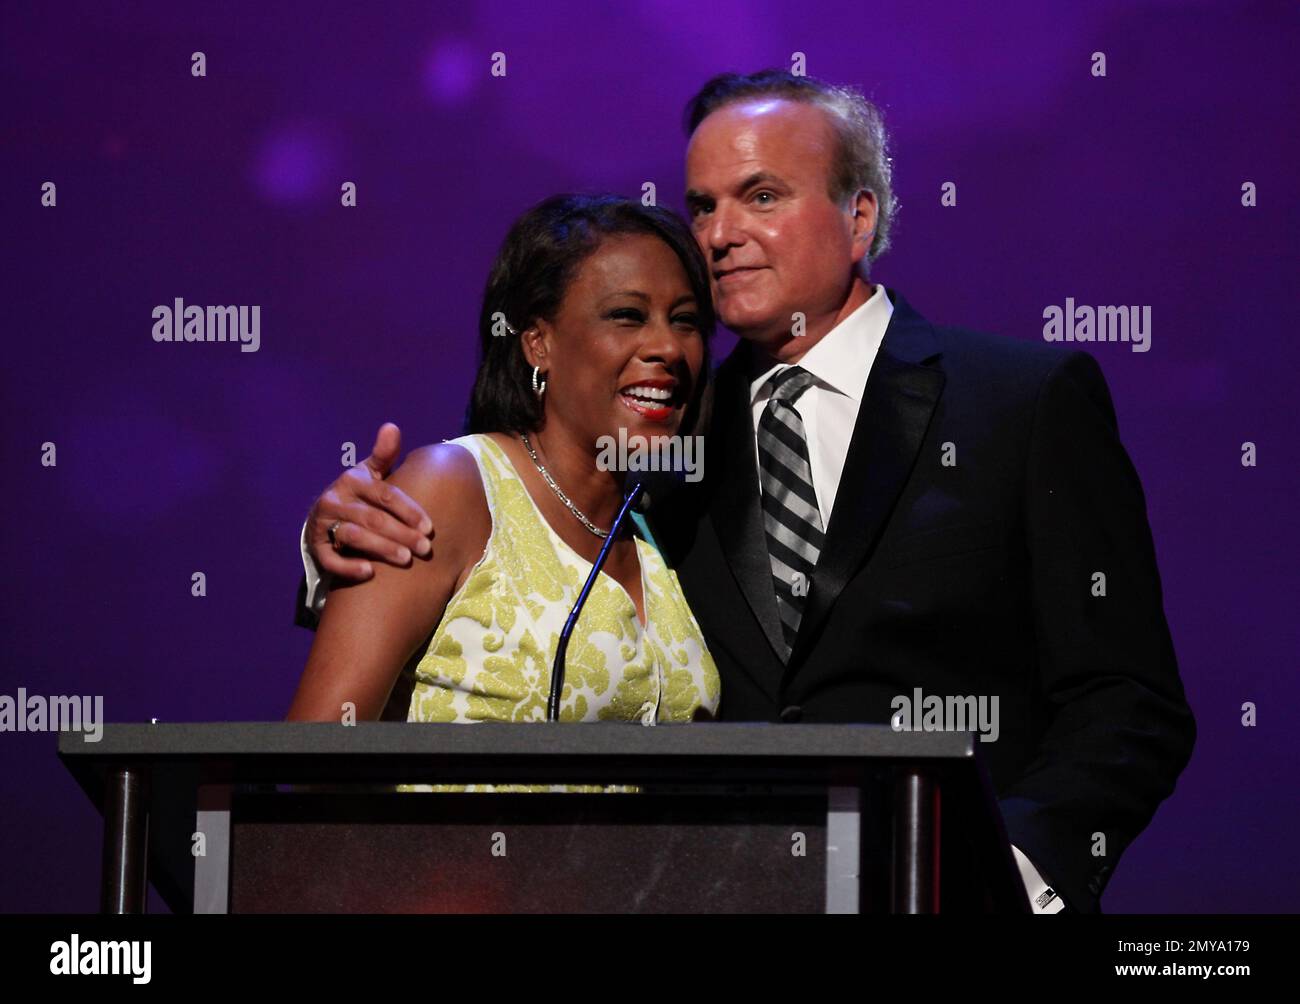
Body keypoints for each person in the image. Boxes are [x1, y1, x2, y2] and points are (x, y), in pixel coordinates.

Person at [294, 71, 1195, 913]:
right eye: (702, 206)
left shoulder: (1018, 400)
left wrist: (1018, 876)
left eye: (761, 196)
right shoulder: (666, 425)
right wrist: (336, 541)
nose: (719, 234)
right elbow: (519, 531)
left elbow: (1127, 699)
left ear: (858, 216)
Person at [287, 194, 721, 793]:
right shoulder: (451, 487)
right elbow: (312, 762)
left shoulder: (653, 530)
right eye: (627, 315)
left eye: (686, 320)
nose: (668, 348)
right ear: (537, 342)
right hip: (440, 880)